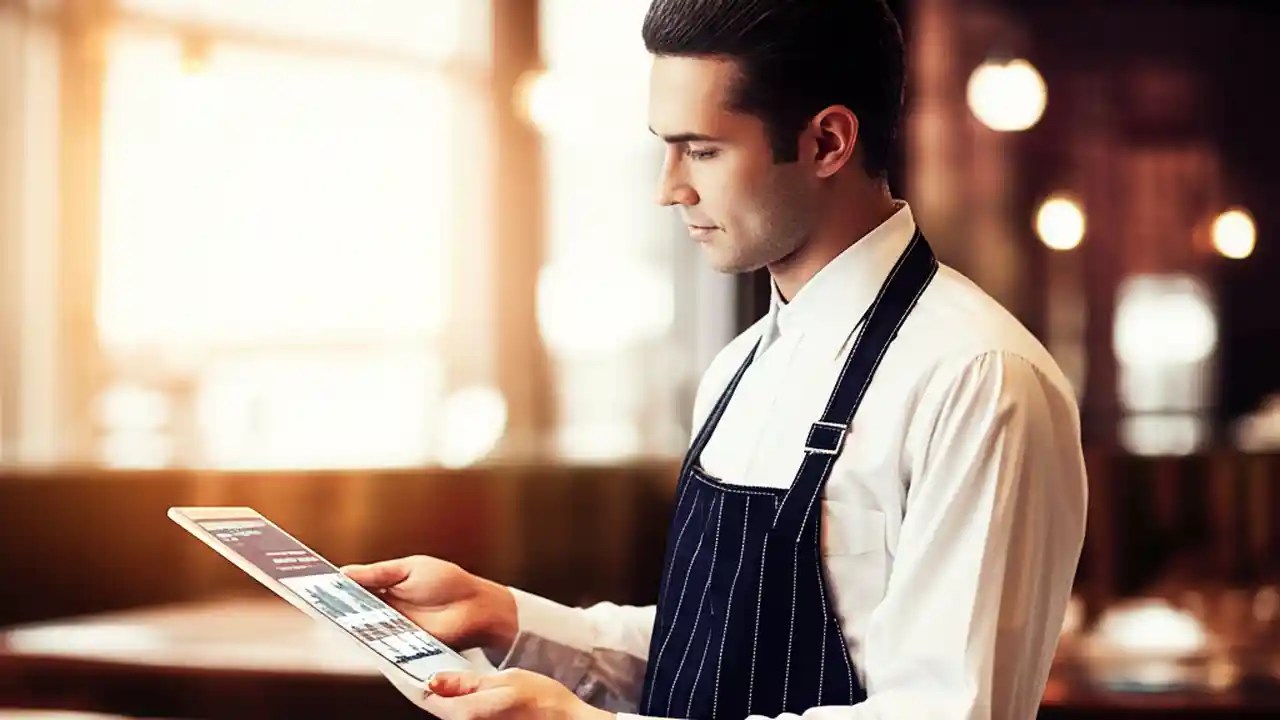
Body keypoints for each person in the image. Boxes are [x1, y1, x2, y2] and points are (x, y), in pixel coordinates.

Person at [342, 1, 1088, 718]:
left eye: (701, 150)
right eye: (663, 147)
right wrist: (504, 616)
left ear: (828, 142)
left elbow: (940, 716)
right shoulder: (736, 369)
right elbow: (712, 656)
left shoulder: (978, 379)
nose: (670, 189)